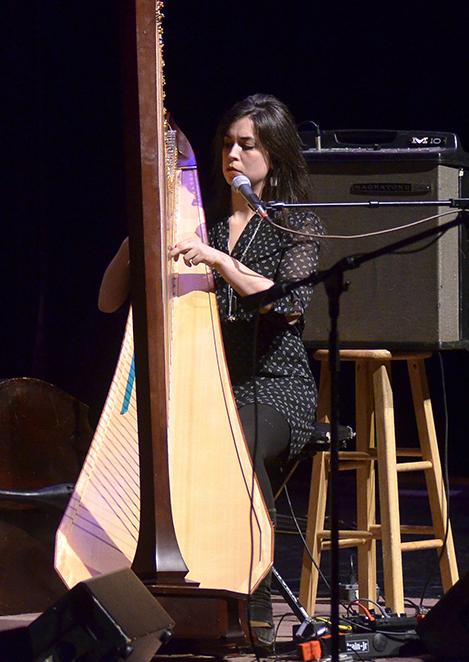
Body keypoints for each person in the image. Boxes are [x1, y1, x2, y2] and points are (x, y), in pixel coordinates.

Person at [98, 93, 322, 649]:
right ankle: (174, 593)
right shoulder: (208, 228)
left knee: (237, 441)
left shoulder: (298, 227)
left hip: (278, 391)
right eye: (227, 143)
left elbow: (286, 304)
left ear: (275, 154)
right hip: (216, 390)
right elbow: (107, 303)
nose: (233, 154)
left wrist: (220, 262)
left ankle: (255, 600)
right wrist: (137, 243)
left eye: (248, 144)